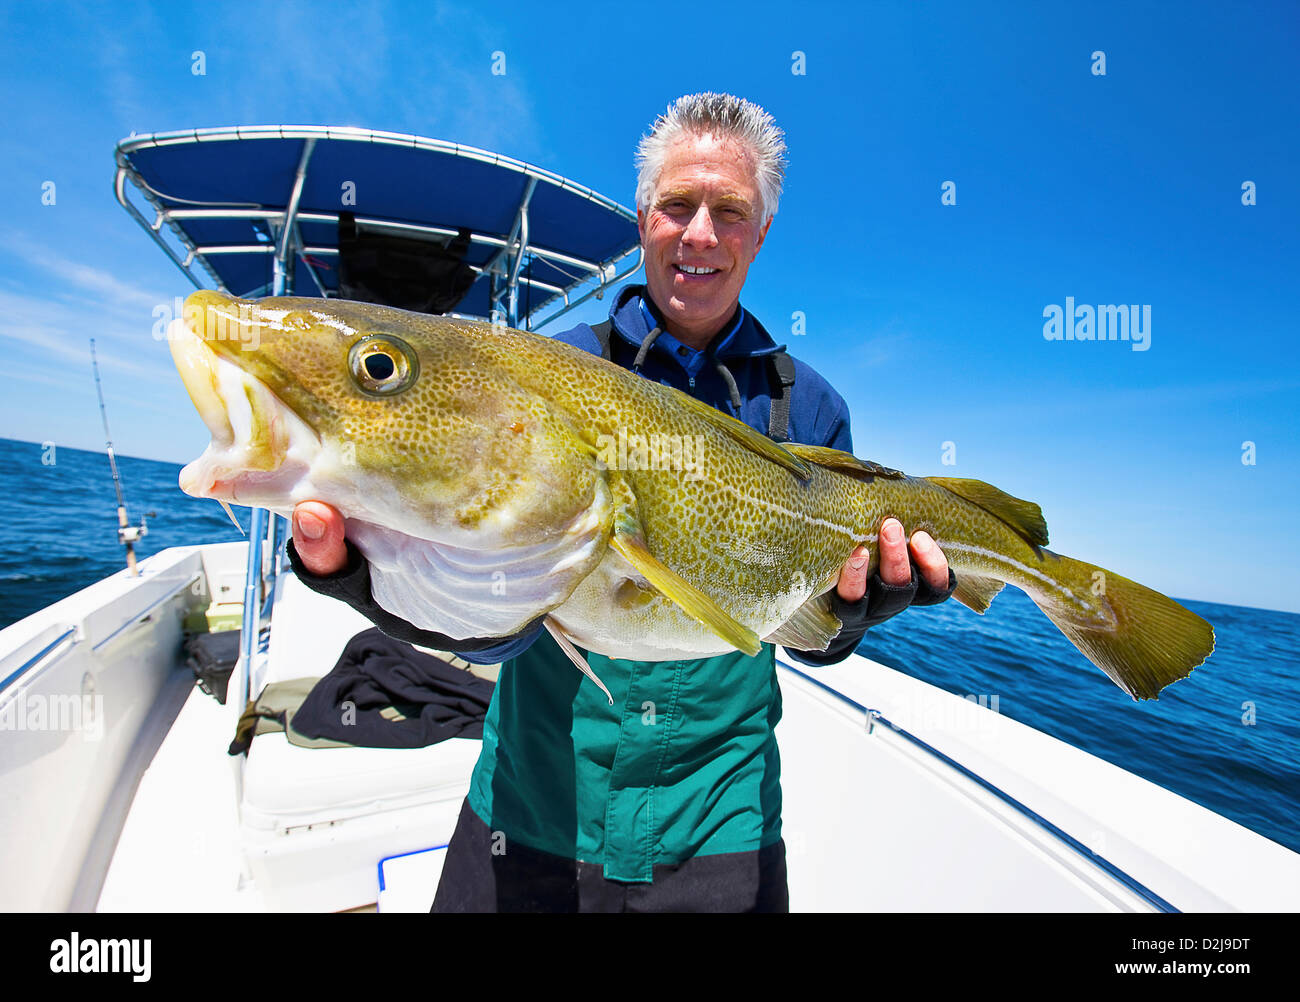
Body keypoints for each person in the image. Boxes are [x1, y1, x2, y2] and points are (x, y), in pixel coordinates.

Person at [286, 93, 955, 912]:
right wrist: (368, 576)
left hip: (718, 820)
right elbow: (494, 624)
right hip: (535, 803)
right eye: (677, 205)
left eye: (729, 211)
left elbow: (809, 631)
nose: (699, 233)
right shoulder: (540, 374)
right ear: (644, 217)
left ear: (760, 233)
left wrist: (853, 616)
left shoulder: (810, 410)